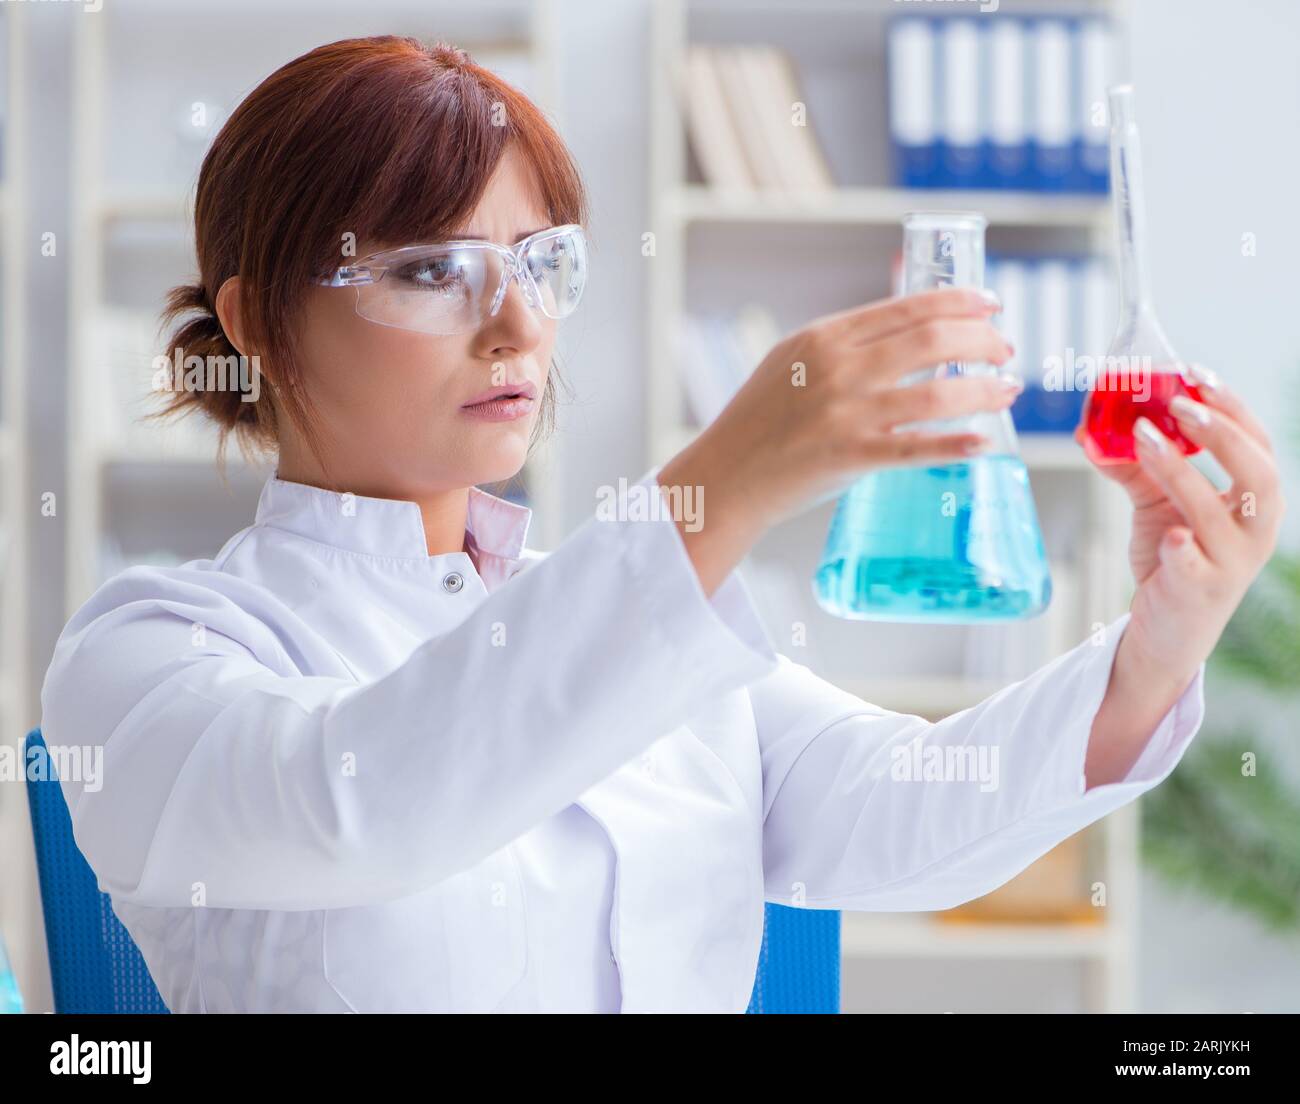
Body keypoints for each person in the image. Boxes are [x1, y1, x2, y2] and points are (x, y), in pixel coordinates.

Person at [41, 36, 1282, 1013]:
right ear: (254, 321)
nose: (517, 324)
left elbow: (905, 808)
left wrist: (1158, 644)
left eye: (541, 261)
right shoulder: (150, 655)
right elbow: (356, 801)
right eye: (429, 268)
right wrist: (728, 482)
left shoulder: (637, 625)